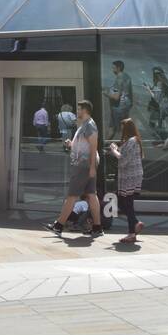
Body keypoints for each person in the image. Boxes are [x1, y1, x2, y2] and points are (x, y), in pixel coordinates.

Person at [47, 100, 102, 238]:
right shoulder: (85, 125)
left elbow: (93, 146)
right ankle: (97, 227)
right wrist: (71, 144)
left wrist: (91, 168)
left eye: (79, 109)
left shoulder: (89, 125)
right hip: (85, 165)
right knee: (91, 195)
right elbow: (83, 146)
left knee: (72, 196)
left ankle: (59, 225)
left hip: (83, 166)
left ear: (85, 110)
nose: (77, 112)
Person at [108, 117, 144, 244]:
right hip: (134, 175)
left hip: (129, 177)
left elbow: (123, 160)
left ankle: (132, 232)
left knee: (126, 203)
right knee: (126, 202)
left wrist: (114, 150)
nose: (121, 131)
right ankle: (135, 223)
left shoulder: (131, 141)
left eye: (123, 129)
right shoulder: (135, 140)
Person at [145, 67, 168, 149]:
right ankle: (162, 141)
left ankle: (164, 139)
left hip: (159, 106)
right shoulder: (165, 82)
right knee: (160, 123)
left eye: (154, 74)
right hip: (165, 105)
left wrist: (148, 89)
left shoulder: (159, 83)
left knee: (152, 123)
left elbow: (156, 97)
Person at [106, 60, 132, 138]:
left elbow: (116, 97)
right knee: (116, 127)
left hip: (118, 107)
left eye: (114, 68)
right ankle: (105, 145)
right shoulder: (127, 76)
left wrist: (106, 93)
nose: (112, 70)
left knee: (117, 129)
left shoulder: (119, 78)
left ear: (119, 68)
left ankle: (106, 146)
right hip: (125, 106)